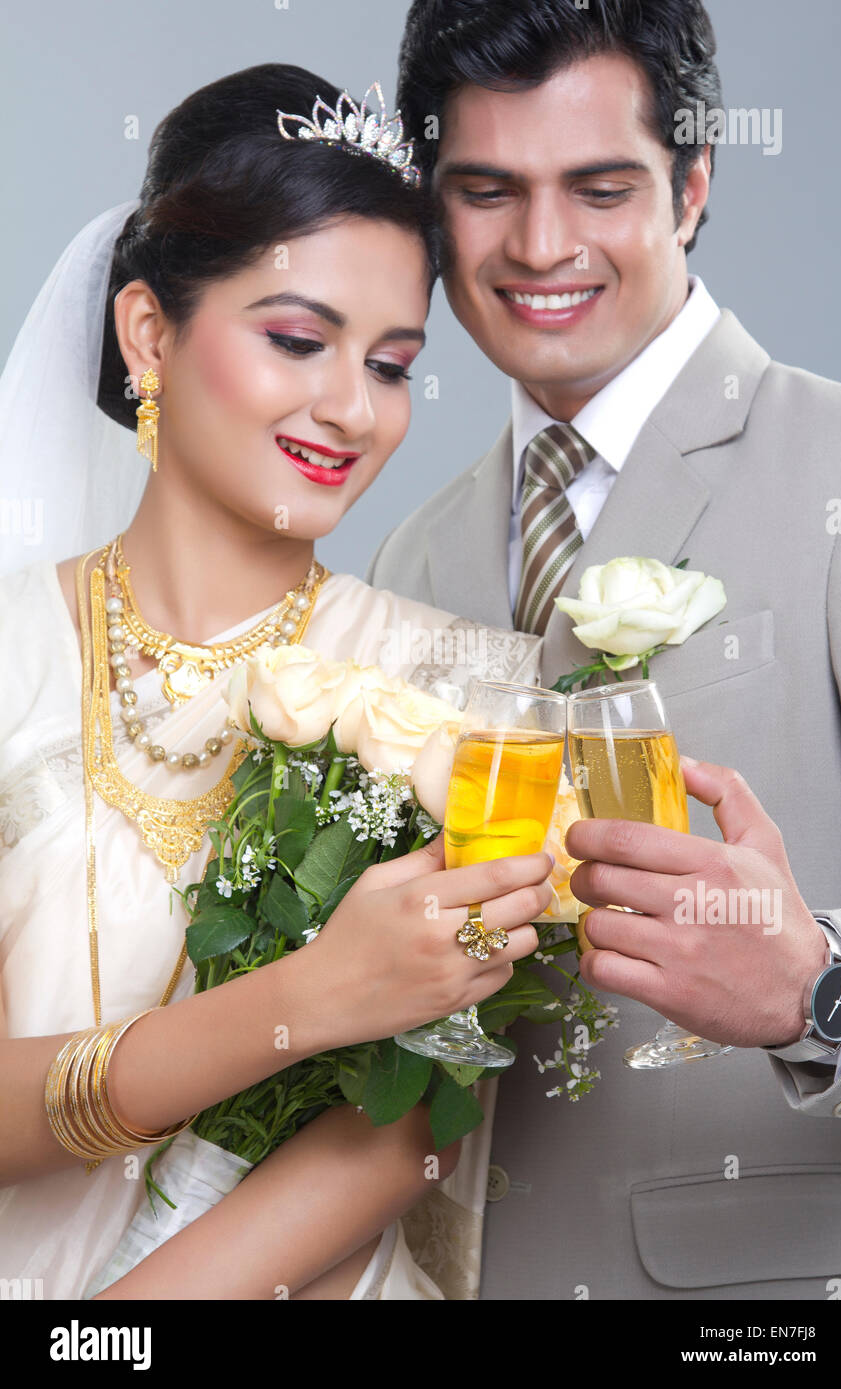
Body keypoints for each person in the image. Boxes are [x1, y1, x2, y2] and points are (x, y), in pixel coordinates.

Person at [0, 62, 553, 1301]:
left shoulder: (458, 690)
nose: (351, 409)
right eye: (298, 340)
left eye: (394, 363)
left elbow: (414, 1121)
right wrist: (309, 997)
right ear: (149, 330)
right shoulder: (11, 653)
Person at [368, 0, 841, 1298]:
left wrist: (825, 985)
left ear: (690, 186)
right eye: (486, 191)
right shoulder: (410, 556)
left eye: (598, 189)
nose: (540, 247)